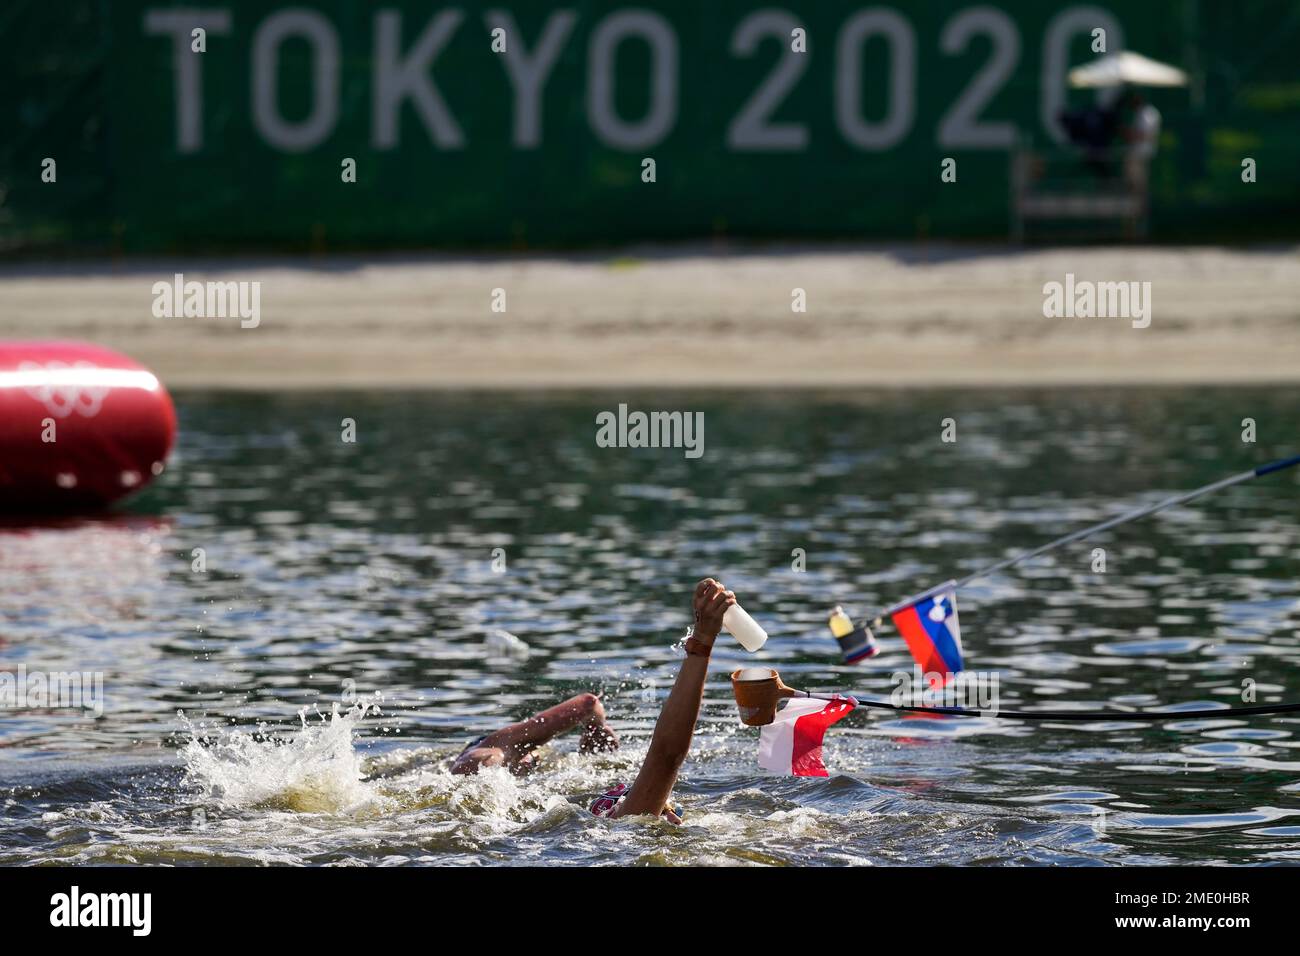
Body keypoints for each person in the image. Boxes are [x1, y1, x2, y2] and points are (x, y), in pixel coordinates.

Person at [453, 578, 735, 826]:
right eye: (530, 756)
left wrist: (595, 730)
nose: (533, 757)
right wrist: (702, 640)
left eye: (532, 755)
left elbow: (590, 706)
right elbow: (665, 756)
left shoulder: (499, 765)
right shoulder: (483, 757)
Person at [450, 692, 619, 775]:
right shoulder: (498, 747)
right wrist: (597, 728)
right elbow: (588, 703)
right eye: (532, 754)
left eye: (534, 761)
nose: (530, 760)